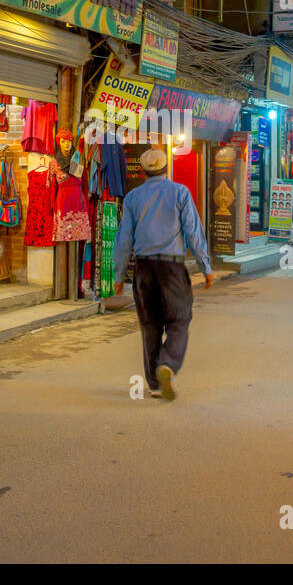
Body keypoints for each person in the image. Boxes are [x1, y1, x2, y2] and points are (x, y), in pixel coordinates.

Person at [113, 148, 214, 401]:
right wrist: (206, 267)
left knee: (150, 326)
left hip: (144, 268)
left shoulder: (133, 197)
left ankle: (155, 384)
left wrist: (117, 275)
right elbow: (193, 232)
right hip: (172, 268)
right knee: (179, 322)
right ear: (166, 168)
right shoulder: (180, 192)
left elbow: (123, 239)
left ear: (142, 171)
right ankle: (168, 363)